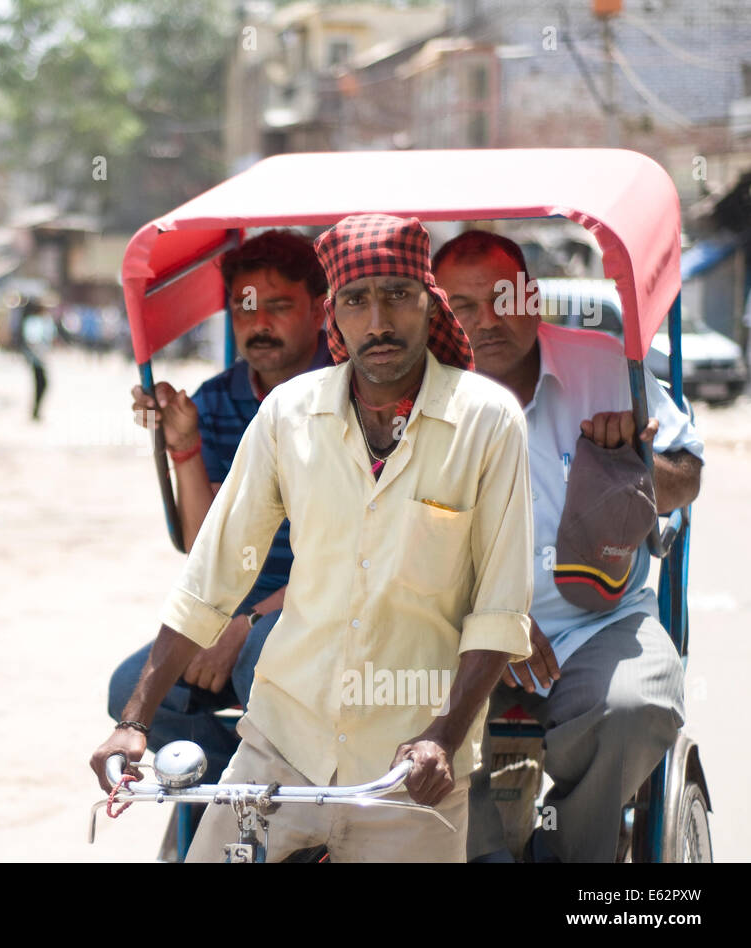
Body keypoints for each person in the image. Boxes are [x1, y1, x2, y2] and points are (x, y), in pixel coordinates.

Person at [92, 214, 534, 862]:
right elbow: (210, 575)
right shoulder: (289, 415)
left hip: (412, 768)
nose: (377, 320)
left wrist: (442, 734)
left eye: (396, 295)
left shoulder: (489, 423)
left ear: (426, 301)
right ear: (336, 313)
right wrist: (131, 723)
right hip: (281, 747)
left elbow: (499, 614)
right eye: (357, 300)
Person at [433, 230, 703, 863]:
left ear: (532, 296)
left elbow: (685, 477)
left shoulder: (604, 366)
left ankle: (573, 856)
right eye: (463, 307)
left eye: (502, 298)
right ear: (440, 315)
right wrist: (497, 622)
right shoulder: (418, 395)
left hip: (597, 622)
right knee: (396, 707)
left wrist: (633, 464)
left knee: (638, 705)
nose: (488, 321)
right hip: (458, 627)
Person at [108, 229, 331, 784]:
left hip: (325, 612)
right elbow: (200, 545)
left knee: (261, 660)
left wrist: (245, 625)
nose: (259, 325)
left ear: (320, 310)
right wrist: (184, 445)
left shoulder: (349, 398)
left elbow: (348, 552)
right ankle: (247, 790)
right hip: (237, 610)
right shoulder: (216, 398)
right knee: (130, 691)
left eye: (279, 307)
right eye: (244, 309)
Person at [18, 298, 52, 420]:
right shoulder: (34, 322)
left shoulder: (44, 321)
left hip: (40, 357)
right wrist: (39, 354)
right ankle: (35, 411)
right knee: (42, 384)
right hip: (36, 358)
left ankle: (36, 410)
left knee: (41, 384)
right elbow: (32, 340)